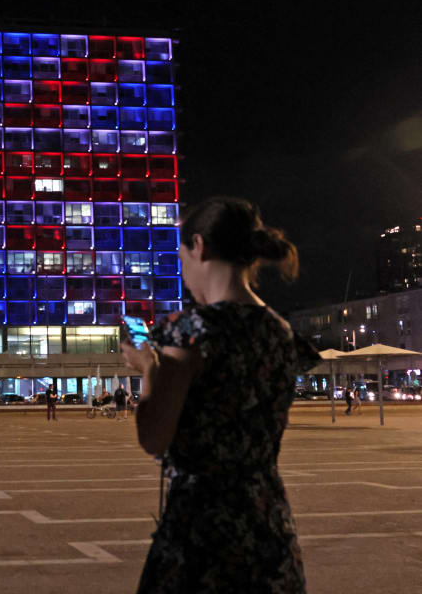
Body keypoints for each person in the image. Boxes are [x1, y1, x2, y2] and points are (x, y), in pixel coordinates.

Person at [120, 197, 318, 593]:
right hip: (268, 526)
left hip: (204, 530)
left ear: (199, 247)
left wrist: (148, 369)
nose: (185, 274)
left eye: (182, 260)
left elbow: (154, 435)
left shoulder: (191, 329)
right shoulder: (280, 332)